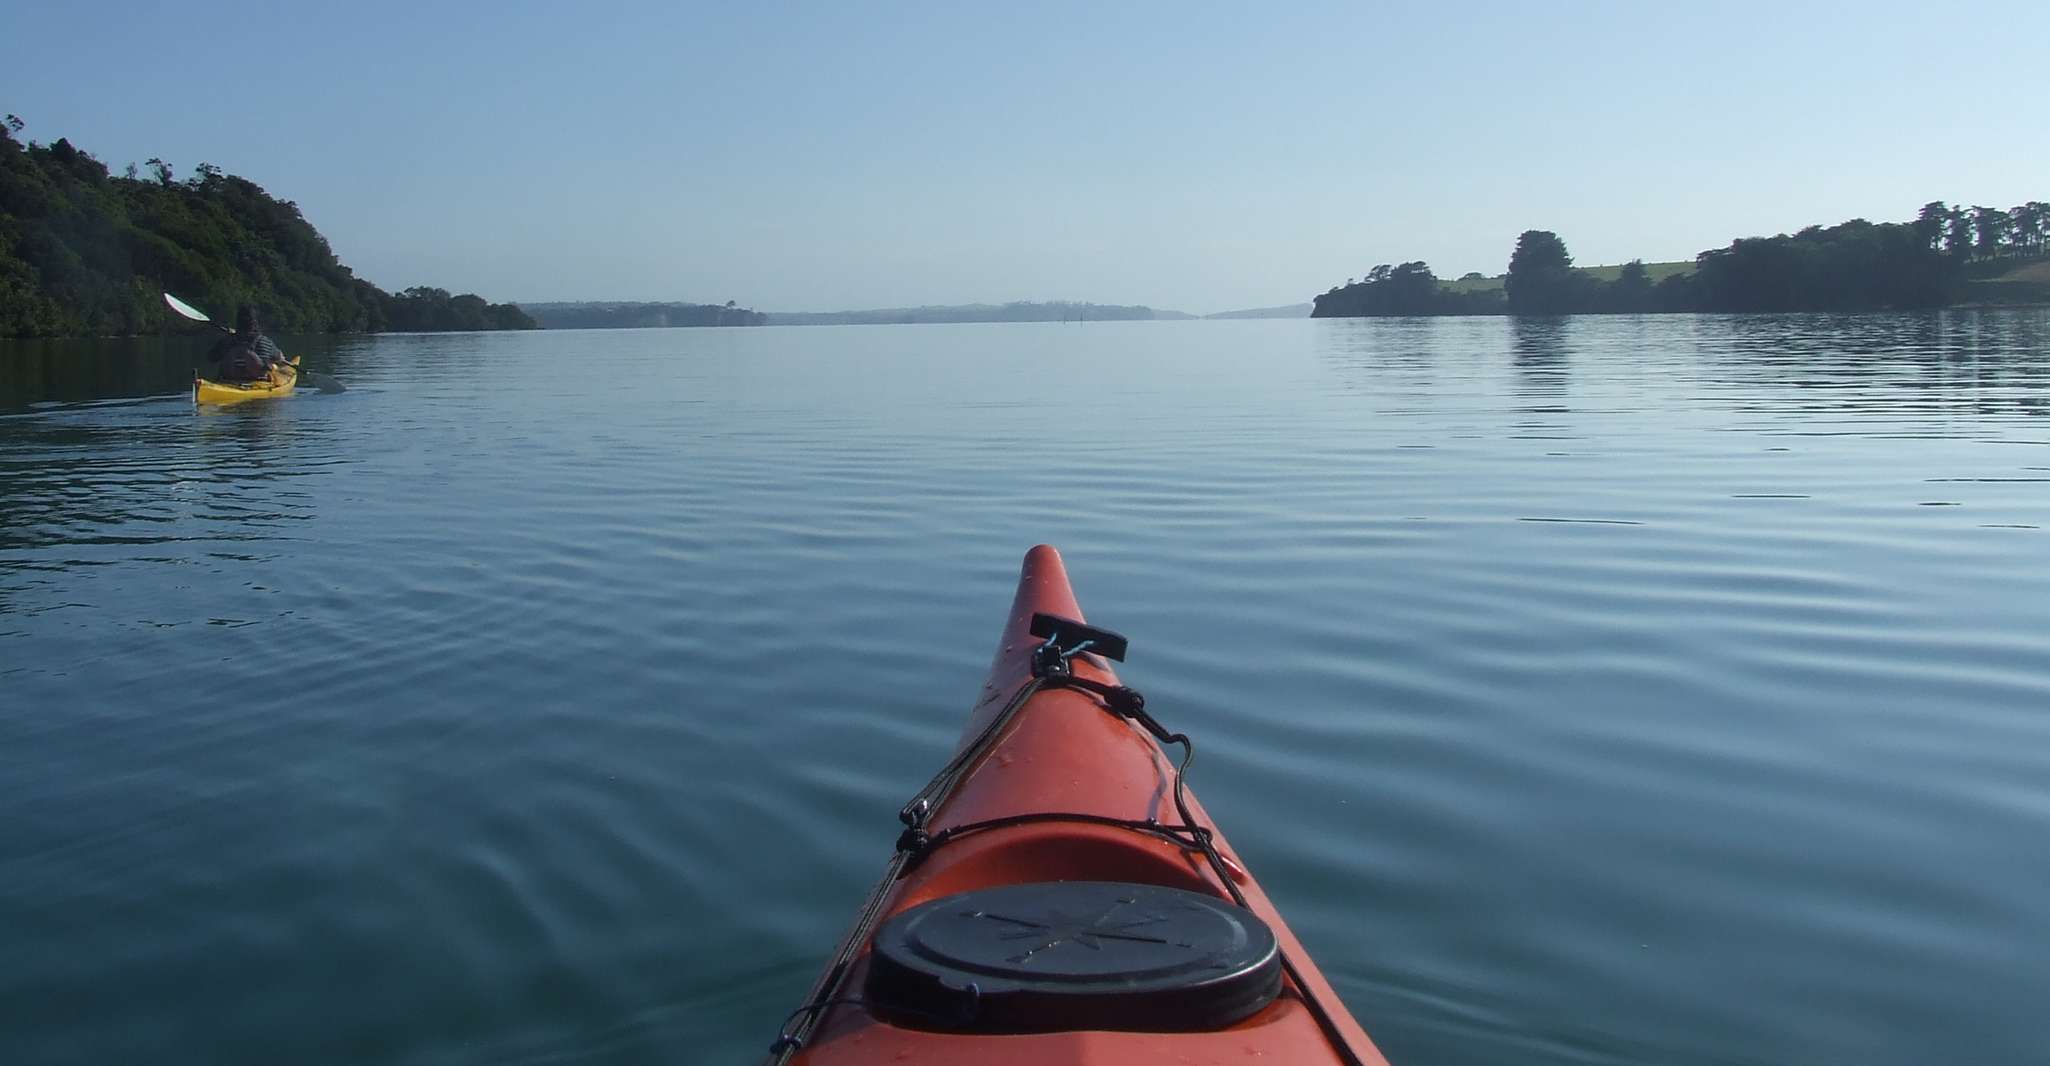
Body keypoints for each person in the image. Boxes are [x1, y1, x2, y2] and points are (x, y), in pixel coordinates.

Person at [207, 305, 289, 382]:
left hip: (227, 381)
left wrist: (229, 338)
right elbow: (279, 358)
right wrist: (279, 359)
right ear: (255, 323)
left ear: (238, 322)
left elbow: (211, 358)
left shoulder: (227, 340)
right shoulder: (265, 342)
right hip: (256, 382)